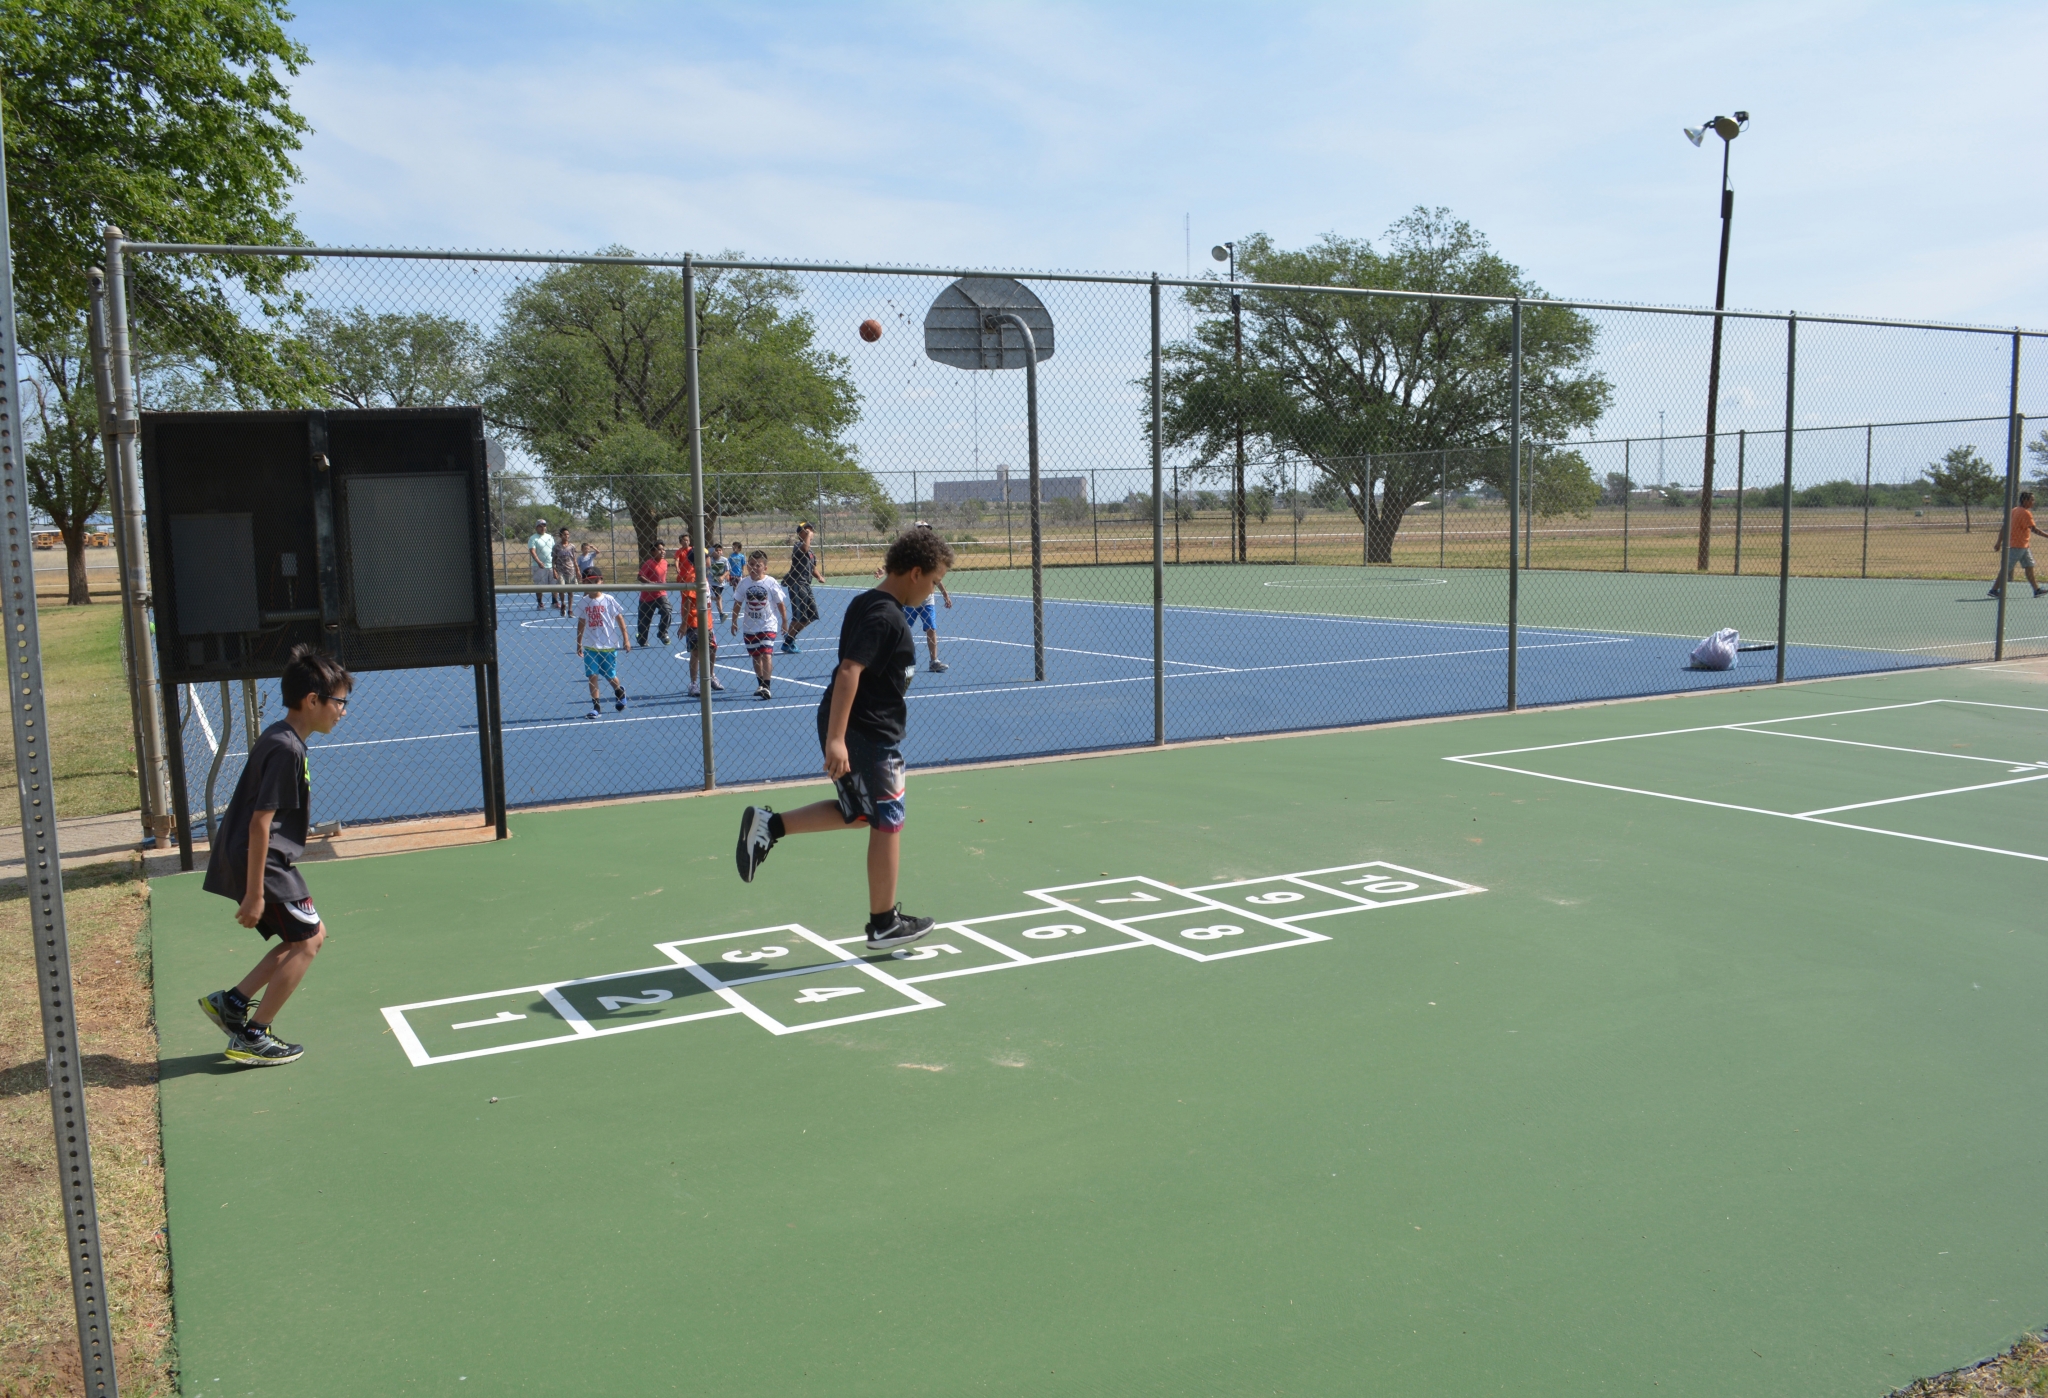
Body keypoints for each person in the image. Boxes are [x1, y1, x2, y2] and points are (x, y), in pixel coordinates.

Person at [734, 526, 955, 951]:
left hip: (859, 728)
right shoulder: (884, 614)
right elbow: (850, 670)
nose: (933, 590)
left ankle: (770, 825)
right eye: (933, 581)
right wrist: (837, 739)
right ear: (914, 572)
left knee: (858, 814)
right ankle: (884, 922)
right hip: (865, 733)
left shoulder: (868, 602)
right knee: (888, 820)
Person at [196, 644, 353, 1066]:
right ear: (313, 700)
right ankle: (253, 1034)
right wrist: (254, 894)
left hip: (262, 859)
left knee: (302, 937)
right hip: (263, 862)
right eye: (339, 702)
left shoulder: (281, 738)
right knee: (309, 941)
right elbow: (260, 822)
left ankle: (232, 1003)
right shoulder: (287, 749)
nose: (343, 711)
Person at [730, 548, 790, 700]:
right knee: (756, 656)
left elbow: (780, 603)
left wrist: (784, 621)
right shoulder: (744, 583)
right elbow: (737, 603)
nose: (754, 568)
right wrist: (734, 621)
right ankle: (761, 684)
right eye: (751, 564)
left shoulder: (771, 582)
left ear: (765, 567)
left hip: (767, 625)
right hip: (750, 626)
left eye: (758, 565)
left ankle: (767, 686)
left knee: (766, 653)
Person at [575, 567, 631, 717]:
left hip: (608, 645)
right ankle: (596, 707)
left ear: (601, 580)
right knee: (592, 675)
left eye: (595, 581)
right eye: (588, 582)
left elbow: (620, 619)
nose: (592, 585)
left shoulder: (609, 600)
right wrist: (579, 643)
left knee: (609, 675)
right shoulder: (584, 602)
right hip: (590, 645)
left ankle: (619, 691)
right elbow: (581, 623)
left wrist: (626, 638)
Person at [676, 536, 724, 698]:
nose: (709, 559)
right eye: (706, 557)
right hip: (694, 621)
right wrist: (684, 624)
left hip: (707, 622)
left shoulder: (704, 577)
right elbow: (688, 602)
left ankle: (710, 676)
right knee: (696, 652)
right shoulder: (692, 577)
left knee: (712, 649)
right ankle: (694, 683)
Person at [1989, 490, 2047, 598]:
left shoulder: (2014, 510)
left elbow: (2004, 526)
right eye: (2032, 500)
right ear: (2025, 501)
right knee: (2006, 568)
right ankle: (1994, 589)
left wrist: (1998, 542)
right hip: (2017, 546)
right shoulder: (2025, 513)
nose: (2033, 502)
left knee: (2029, 566)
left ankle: (2036, 590)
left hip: (2024, 546)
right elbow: (2034, 529)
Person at [780, 521, 823, 654]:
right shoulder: (799, 546)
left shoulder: (811, 551)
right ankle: (788, 643)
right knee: (799, 616)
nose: (810, 533)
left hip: (806, 584)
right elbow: (804, 549)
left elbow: (812, 567)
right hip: (797, 583)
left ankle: (790, 638)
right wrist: (807, 538)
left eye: (811, 530)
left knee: (812, 615)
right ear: (800, 534)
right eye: (807, 530)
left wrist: (819, 576)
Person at [636, 543, 672, 647]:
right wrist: (650, 583)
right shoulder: (649, 563)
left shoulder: (665, 563)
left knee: (667, 611)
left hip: (661, 594)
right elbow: (640, 576)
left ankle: (662, 632)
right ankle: (641, 638)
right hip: (647, 597)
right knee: (644, 624)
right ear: (653, 552)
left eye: (663, 549)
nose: (662, 551)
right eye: (659, 550)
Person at [526, 518, 555, 611]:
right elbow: (532, 551)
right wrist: (539, 562)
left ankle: (555, 601)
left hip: (551, 564)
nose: (542, 528)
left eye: (544, 526)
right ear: (536, 527)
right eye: (540, 526)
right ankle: (540, 603)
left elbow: (554, 550)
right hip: (538, 566)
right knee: (539, 586)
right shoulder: (533, 538)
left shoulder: (550, 537)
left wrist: (555, 563)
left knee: (555, 584)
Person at [552, 528, 578, 616]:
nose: (566, 536)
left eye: (567, 534)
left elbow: (574, 559)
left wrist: (577, 570)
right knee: (561, 589)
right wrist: (554, 570)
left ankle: (570, 609)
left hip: (570, 570)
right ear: (560, 535)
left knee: (570, 591)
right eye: (564, 534)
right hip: (560, 570)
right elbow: (553, 560)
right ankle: (563, 603)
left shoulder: (572, 546)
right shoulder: (557, 547)